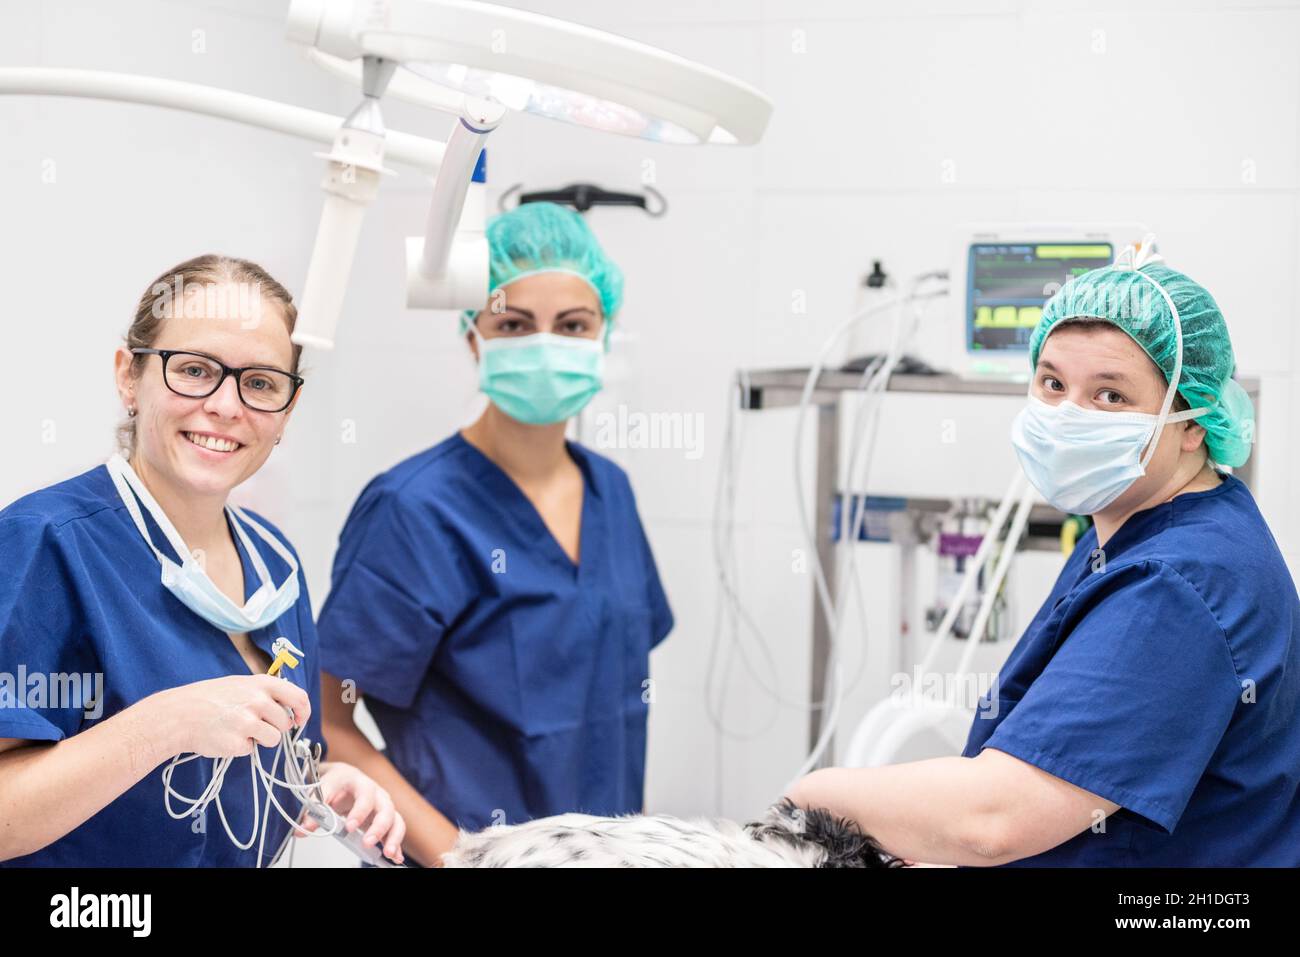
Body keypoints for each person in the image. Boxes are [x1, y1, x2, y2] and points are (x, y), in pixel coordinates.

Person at [788, 239, 1300, 866]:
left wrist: (808, 795)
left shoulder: (1179, 583)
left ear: (1193, 422)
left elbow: (993, 820)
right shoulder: (1134, 529)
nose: (1067, 416)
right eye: (1052, 382)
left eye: (1110, 396)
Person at [0, 255, 405, 866]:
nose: (226, 405)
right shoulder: (44, 544)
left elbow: (257, 766)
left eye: (261, 382)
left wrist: (316, 789)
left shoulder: (274, 564)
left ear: (287, 412)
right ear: (128, 378)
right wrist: (166, 723)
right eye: (193, 370)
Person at [317, 202, 674, 867]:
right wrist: (463, 858)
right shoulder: (414, 508)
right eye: (513, 323)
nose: (545, 344)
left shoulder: (612, 491)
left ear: (603, 334)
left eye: (572, 324)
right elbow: (329, 721)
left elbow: (617, 711)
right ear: (472, 336)